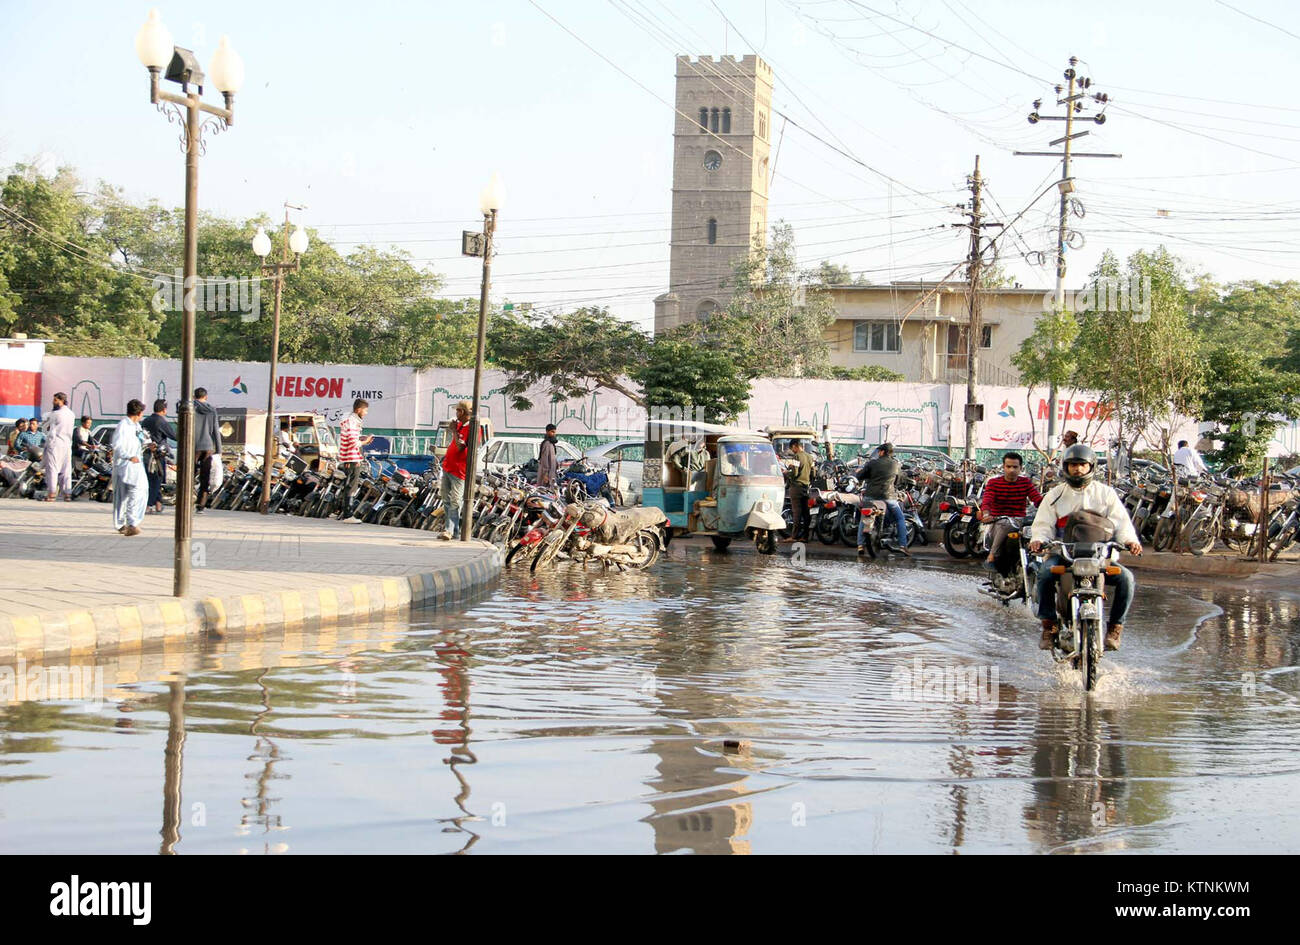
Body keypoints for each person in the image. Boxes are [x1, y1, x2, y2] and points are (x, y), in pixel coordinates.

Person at [1029, 444, 1142, 652]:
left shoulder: (1106, 494)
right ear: (1066, 467)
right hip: (1064, 556)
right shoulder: (1055, 495)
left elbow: (1122, 523)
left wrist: (1130, 541)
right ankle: (1049, 626)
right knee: (1044, 574)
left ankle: (1115, 628)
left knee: (1127, 579)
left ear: (1091, 466)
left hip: (1099, 557)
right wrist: (1039, 540)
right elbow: (1043, 525)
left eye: (1082, 465)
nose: (1078, 469)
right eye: (1073, 465)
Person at [980, 451, 1043, 570]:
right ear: (1003, 467)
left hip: (1020, 521)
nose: (1011, 470)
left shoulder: (1025, 482)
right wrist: (986, 514)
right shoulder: (994, 483)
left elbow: (1036, 498)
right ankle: (992, 556)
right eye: (1008, 466)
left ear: (1020, 468)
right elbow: (987, 500)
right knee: (1006, 523)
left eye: (1015, 467)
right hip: (998, 521)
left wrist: (1049, 506)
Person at [857, 442, 909, 556]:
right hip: (888, 497)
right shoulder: (895, 464)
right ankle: (902, 545)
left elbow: (860, 476)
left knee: (863, 518)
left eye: (879, 451)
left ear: (882, 452)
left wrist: (868, 476)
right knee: (900, 518)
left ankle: (860, 545)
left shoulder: (872, 463)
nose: (878, 453)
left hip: (870, 496)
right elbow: (898, 480)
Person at [110, 399, 148, 536]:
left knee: (139, 491)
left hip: (136, 464)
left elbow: (141, 440)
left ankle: (132, 522)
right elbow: (117, 445)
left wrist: (148, 444)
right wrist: (128, 456)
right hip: (124, 464)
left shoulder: (137, 426)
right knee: (122, 496)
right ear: (139, 413)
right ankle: (122, 524)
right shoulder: (123, 426)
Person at [439, 400, 472, 539]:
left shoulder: (471, 428)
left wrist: (453, 431)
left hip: (459, 471)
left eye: (458, 410)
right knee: (446, 498)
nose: (456, 413)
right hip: (448, 467)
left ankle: (449, 530)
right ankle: (453, 530)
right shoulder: (459, 425)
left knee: (455, 501)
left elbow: (460, 447)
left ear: (462, 412)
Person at [337, 399, 375, 523]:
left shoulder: (349, 420)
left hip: (349, 457)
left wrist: (363, 439)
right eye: (365, 410)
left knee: (349, 485)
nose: (366, 413)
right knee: (352, 486)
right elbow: (354, 442)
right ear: (358, 410)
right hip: (352, 457)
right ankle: (348, 515)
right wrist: (365, 441)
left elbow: (352, 438)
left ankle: (344, 513)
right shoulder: (352, 422)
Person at [141, 399, 177, 514]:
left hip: (146, 453)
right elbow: (174, 436)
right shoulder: (161, 421)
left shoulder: (146, 420)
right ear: (164, 410)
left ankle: (158, 504)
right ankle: (149, 505)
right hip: (157, 455)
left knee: (151, 480)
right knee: (156, 480)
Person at [41, 392, 75, 501]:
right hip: (67, 444)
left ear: (62, 401)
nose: (53, 402)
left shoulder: (55, 414)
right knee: (66, 470)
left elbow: (49, 430)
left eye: (55, 400)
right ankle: (67, 494)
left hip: (55, 444)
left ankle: (51, 494)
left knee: (52, 469)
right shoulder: (71, 414)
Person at [193, 388, 222, 513]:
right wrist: (219, 449)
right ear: (206, 397)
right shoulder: (212, 410)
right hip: (208, 446)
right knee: (205, 477)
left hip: (193, 445)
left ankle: (187, 498)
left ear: (194, 396)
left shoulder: (191, 408)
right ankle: (201, 505)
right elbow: (216, 430)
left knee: (189, 474)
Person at [784, 439, 814, 542]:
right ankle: (805, 536)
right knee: (806, 513)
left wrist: (787, 473)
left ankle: (794, 536)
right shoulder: (810, 457)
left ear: (795, 446)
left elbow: (795, 473)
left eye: (792, 448)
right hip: (806, 487)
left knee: (797, 512)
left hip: (796, 487)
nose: (792, 450)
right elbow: (813, 473)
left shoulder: (796, 457)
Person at [537, 423, 558, 488]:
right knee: (543, 491)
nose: (554, 434)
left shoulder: (552, 444)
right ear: (547, 432)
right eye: (552, 432)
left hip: (551, 474)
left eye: (554, 432)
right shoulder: (546, 444)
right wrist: (545, 475)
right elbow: (544, 460)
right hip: (546, 476)